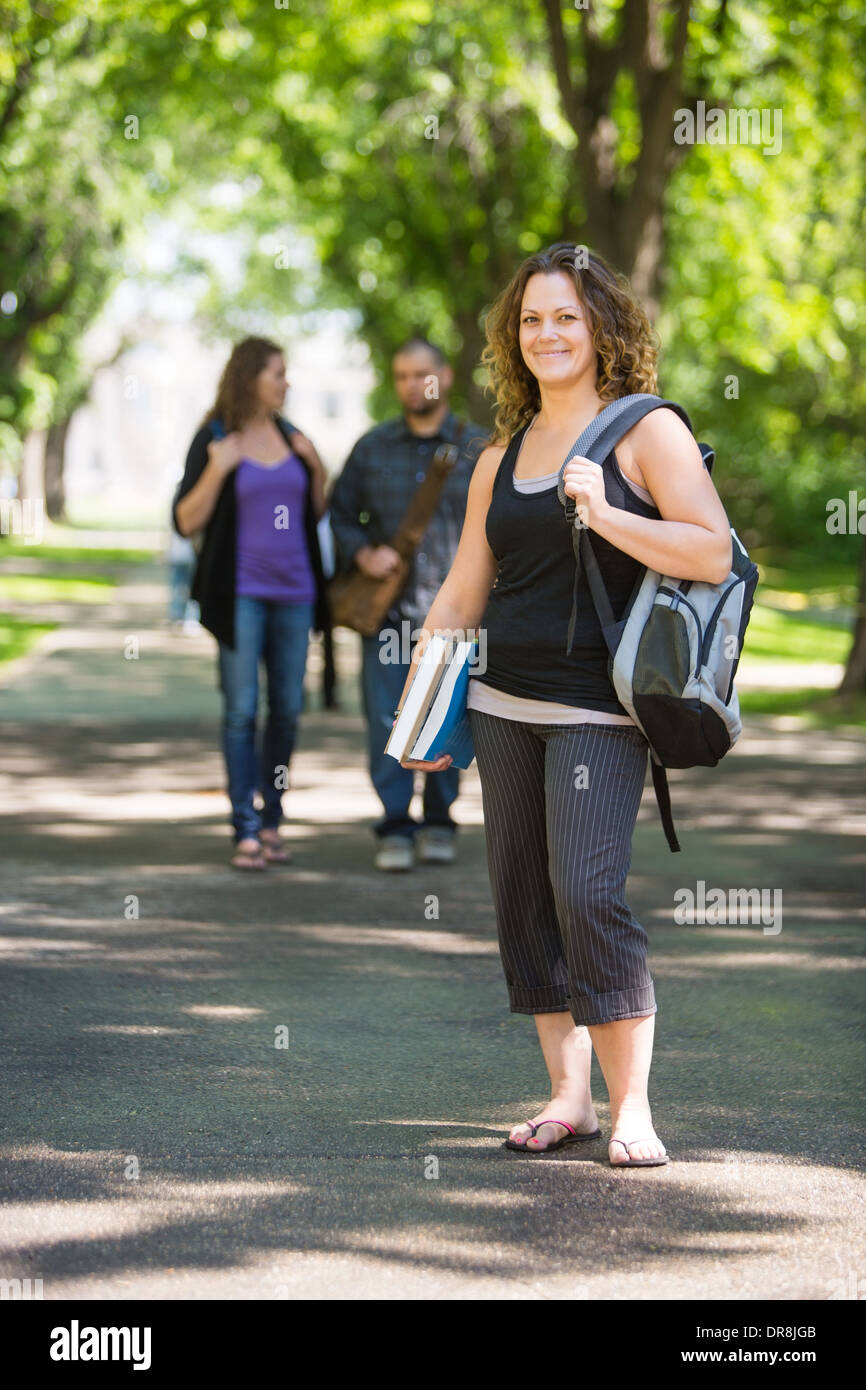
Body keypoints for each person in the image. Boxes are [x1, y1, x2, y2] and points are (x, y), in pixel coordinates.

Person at [396, 245, 732, 1166]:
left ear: (602, 328)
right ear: (515, 336)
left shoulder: (644, 430)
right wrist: (421, 718)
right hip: (504, 705)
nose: (546, 333)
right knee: (524, 899)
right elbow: (465, 590)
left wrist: (608, 513)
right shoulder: (497, 456)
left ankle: (634, 1109)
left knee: (587, 893)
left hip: (600, 708)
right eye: (531, 319)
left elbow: (711, 551)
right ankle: (567, 1096)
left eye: (566, 318)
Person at [328, 337, 488, 872]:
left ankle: (440, 821)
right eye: (400, 375)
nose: (410, 384)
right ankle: (395, 825)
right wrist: (363, 551)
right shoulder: (371, 447)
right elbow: (340, 513)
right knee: (387, 721)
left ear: (442, 375)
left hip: (454, 617)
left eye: (420, 373)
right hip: (389, 616)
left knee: (448, 718)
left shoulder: (478, 448)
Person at [172, 336, 329, 870]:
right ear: (250, 377)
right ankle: (243, 826)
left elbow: (317, 511)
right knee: (242, 712)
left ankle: (272, 821)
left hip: (296, 593)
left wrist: (318, 469)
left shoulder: (292, 437)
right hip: (240, 594)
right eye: (277, 373)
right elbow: (185, 520)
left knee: (285, 711)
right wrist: (219, 467)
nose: (286, 383)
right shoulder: (215, 436)